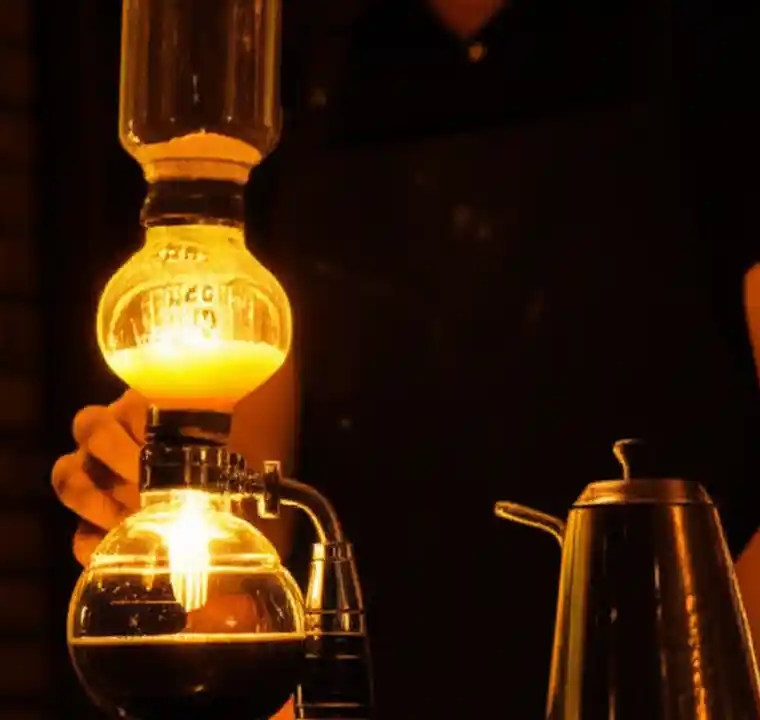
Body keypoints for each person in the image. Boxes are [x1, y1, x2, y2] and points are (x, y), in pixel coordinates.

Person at [53, 0, 760, 717]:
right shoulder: (306, 65)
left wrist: (706, 683)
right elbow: (255, 511)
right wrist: (159, 494)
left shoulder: (707, 45)